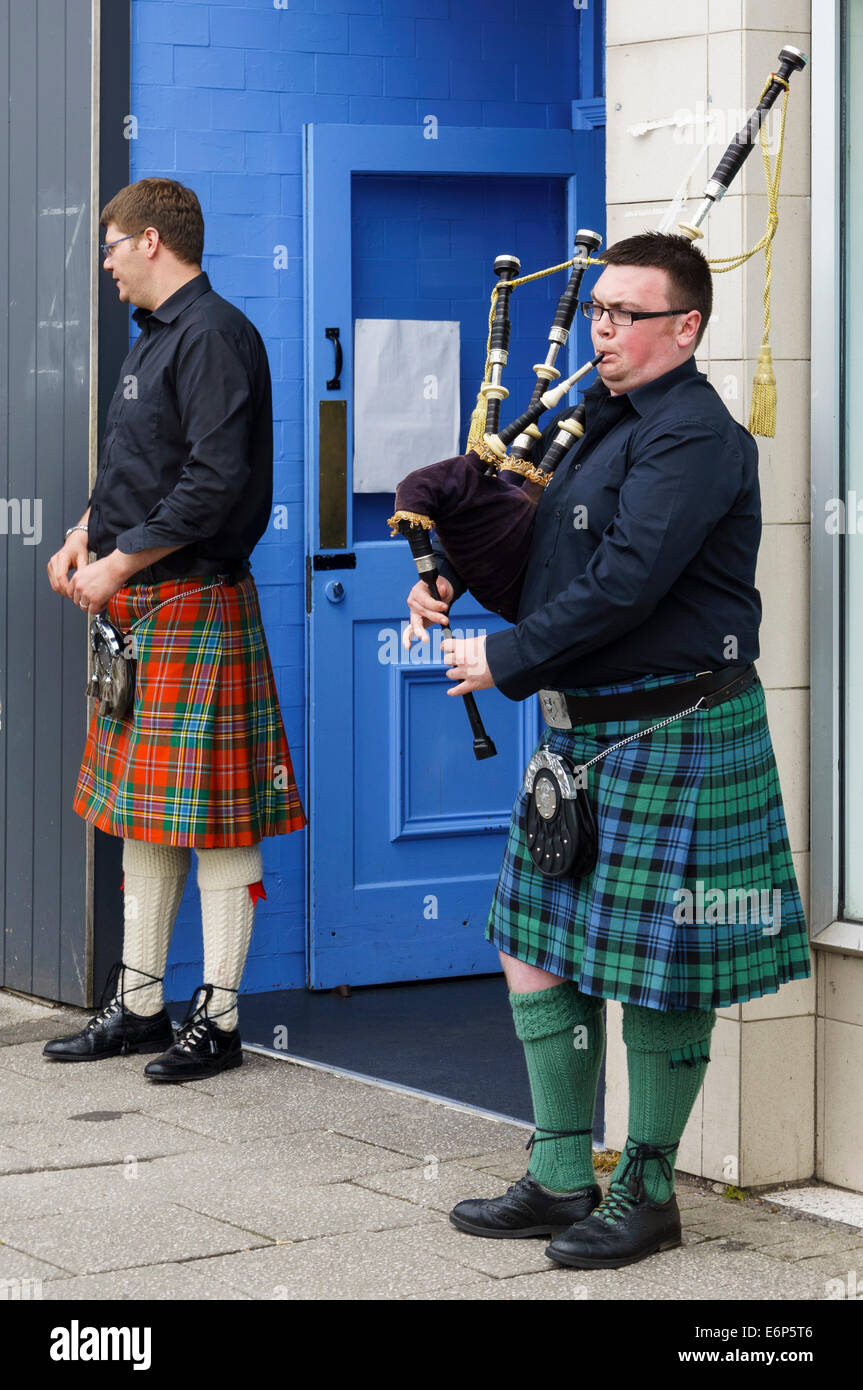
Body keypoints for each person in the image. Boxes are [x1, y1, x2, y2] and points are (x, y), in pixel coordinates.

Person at [403, 232, 810, 1269]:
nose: (606, 331)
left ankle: (648, 1187)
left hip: (675, 727)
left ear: (686, 326)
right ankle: (555, 1172)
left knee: (663, 968)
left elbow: (627, 579)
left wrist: (507, 654)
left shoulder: (698, 438)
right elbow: (546, 541)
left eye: (628, 315)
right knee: (532, 944)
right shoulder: (600, 423)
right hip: (585, 735)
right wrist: (454, 569)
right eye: (598, 312)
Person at [44, 178, 305, 1081]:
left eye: (111, 246)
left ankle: (222, 1020)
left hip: (193, 600)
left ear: (151, 240)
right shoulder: (152, 340)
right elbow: (137, 464)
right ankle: (143, 1006)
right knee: (149, 821)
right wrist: (87, 534)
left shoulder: (216, 335)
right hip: (146, 605)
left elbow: (214, 480)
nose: (106, 264)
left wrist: (122, 563)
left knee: (221, 824)